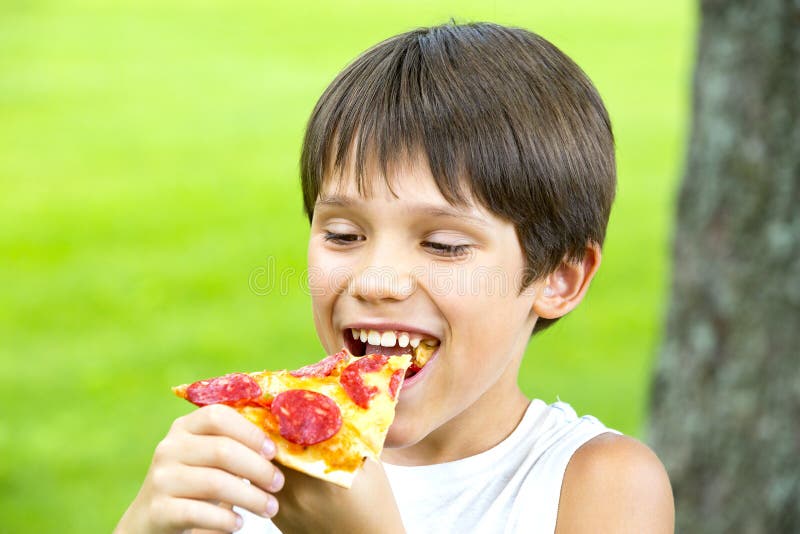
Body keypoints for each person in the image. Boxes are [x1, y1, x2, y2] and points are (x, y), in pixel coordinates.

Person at [115, 20, 674, 533]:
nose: (377, 280)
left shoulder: (600, 486)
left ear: (558, 278)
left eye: (443, 244)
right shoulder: (247, 464)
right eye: (343, 235)